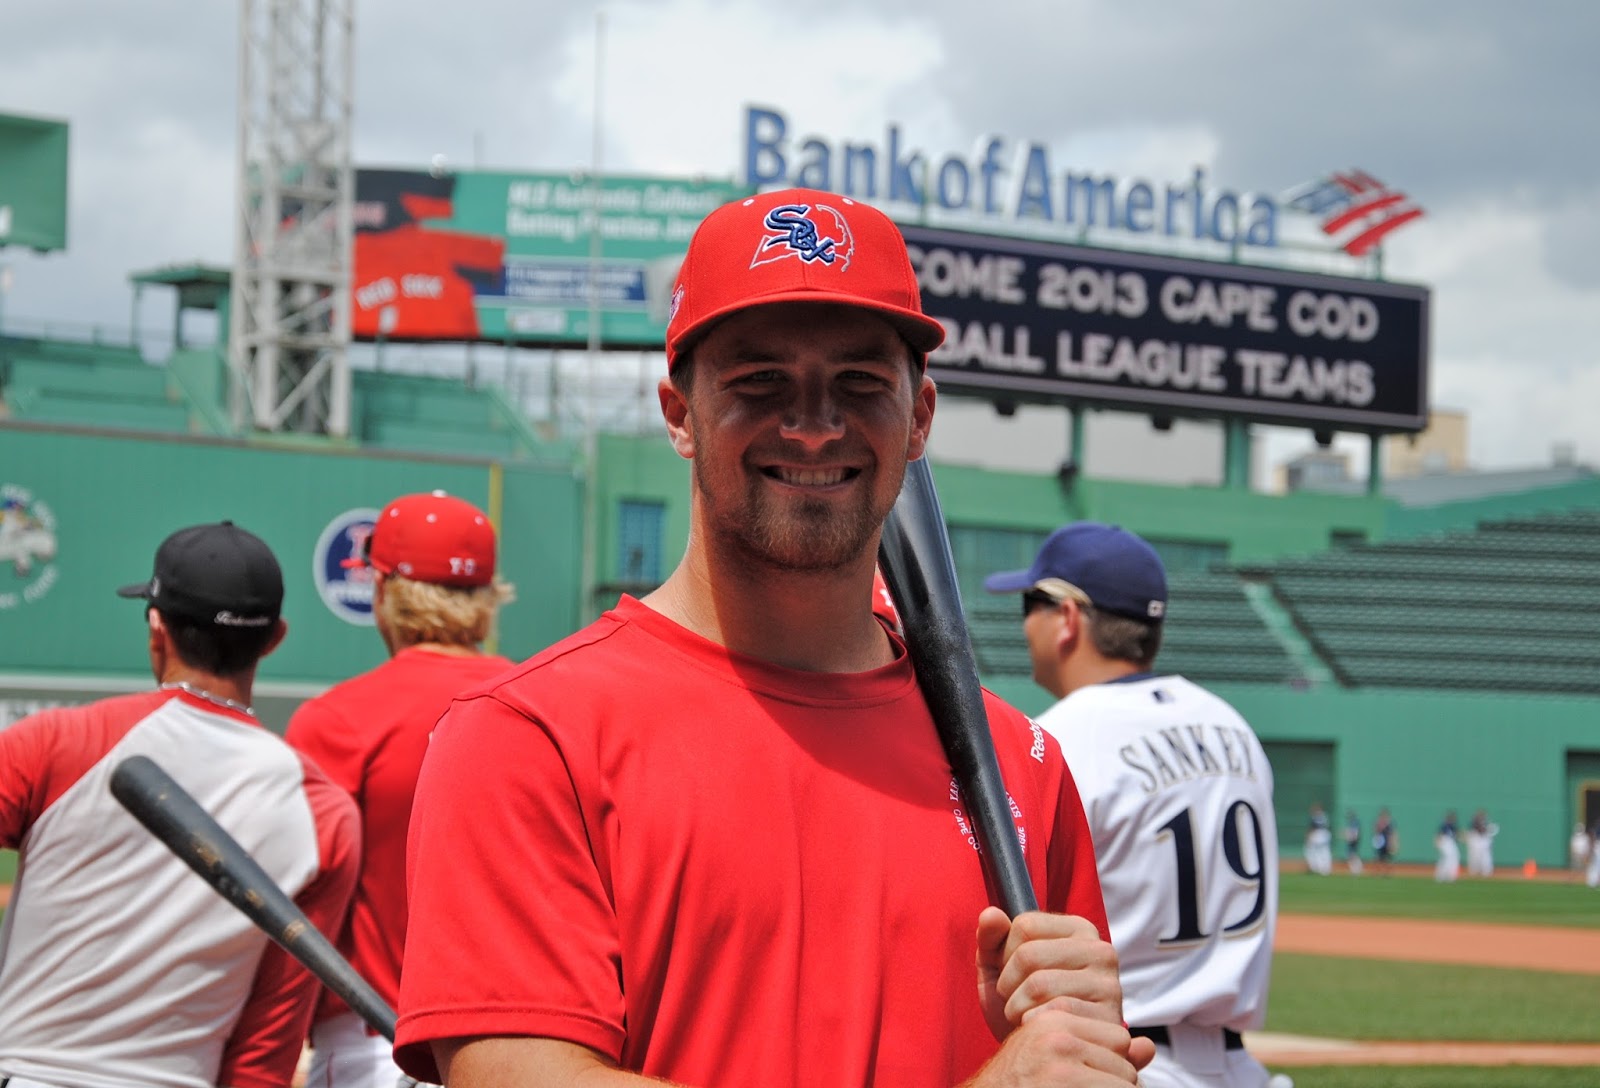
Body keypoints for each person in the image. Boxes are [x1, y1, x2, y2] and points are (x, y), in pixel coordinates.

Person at [394, 188, 1153, 1087]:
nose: (815, 424)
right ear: (679, 413)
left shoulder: (1020, 762)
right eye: (760, 381)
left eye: (860, 382)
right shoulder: (530, 738)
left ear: (919, 417)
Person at [0, 521, 360, 1088]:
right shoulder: (323, 814)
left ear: (156, 627)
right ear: (274, 638)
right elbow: (264, 1051)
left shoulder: (57, 742)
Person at [985, 522, 1279, 1088]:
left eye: (1030, 604)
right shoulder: (1233, 727)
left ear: (1068, 618)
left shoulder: (1054, 740)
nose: (1024, 624)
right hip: (1243, 1071)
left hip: (1125, 1060)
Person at [287, 491, 514, 1088]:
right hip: (522, 1049)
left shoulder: (339, 719)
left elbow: (296, 902)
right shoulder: (548, 702)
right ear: (487, 597)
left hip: (375, 1046)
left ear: (384, 590)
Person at [1465, 808, 1498, 877]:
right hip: (1476, 839)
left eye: (1482, 814)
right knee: (1475, 856)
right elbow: (1474, 830)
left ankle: (1486, 871)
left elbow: (1488, 831)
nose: (1481, 816)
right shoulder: (1474, 822)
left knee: (1486, 856)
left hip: (1483, 839)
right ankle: (1474, 871)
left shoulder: (1486, 822)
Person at [1305, 802, 1333, 876]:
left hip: (1318, 834)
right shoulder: (1325, 816)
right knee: (1325, 852)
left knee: (1316, 852)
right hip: (1325, 834)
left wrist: (1308, 837)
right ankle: (1325, 869)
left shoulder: (1315, 817)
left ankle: (1318, 868)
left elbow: (1312, 828)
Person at [1434, 810, 1460, 883]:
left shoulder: (1453, 826)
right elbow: (1439, 835)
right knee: (1447, 858)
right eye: (1452, 818)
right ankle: (1442, 876)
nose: (1453, 819)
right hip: (1445, 842)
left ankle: (1450, 876)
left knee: (1454, 858)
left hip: (1451, 843)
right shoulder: (1444, 825)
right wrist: (1437, 843)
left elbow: (1457, 836)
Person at [1372, 808, 1398, 873]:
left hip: (1387, 843)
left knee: (1387, 858)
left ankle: (1387, 871)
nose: (1383, 817)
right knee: (1379, 857)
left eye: (1385, 815)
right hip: (1380, 843)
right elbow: (1376, 831)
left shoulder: (1389, 824)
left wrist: (1392, 843)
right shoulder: (1379, 823)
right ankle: (1378, 870)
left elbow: (1392, 834)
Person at [1343, 809, 1363, 874]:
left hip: (1353, 841)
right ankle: (1355, 870)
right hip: (1352, 841)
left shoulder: (1354, 822)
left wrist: (1352, 838)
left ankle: (1357, 869)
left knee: (1352, 855)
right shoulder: (1352, 822)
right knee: (1351, 855)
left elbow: (1355, 833)